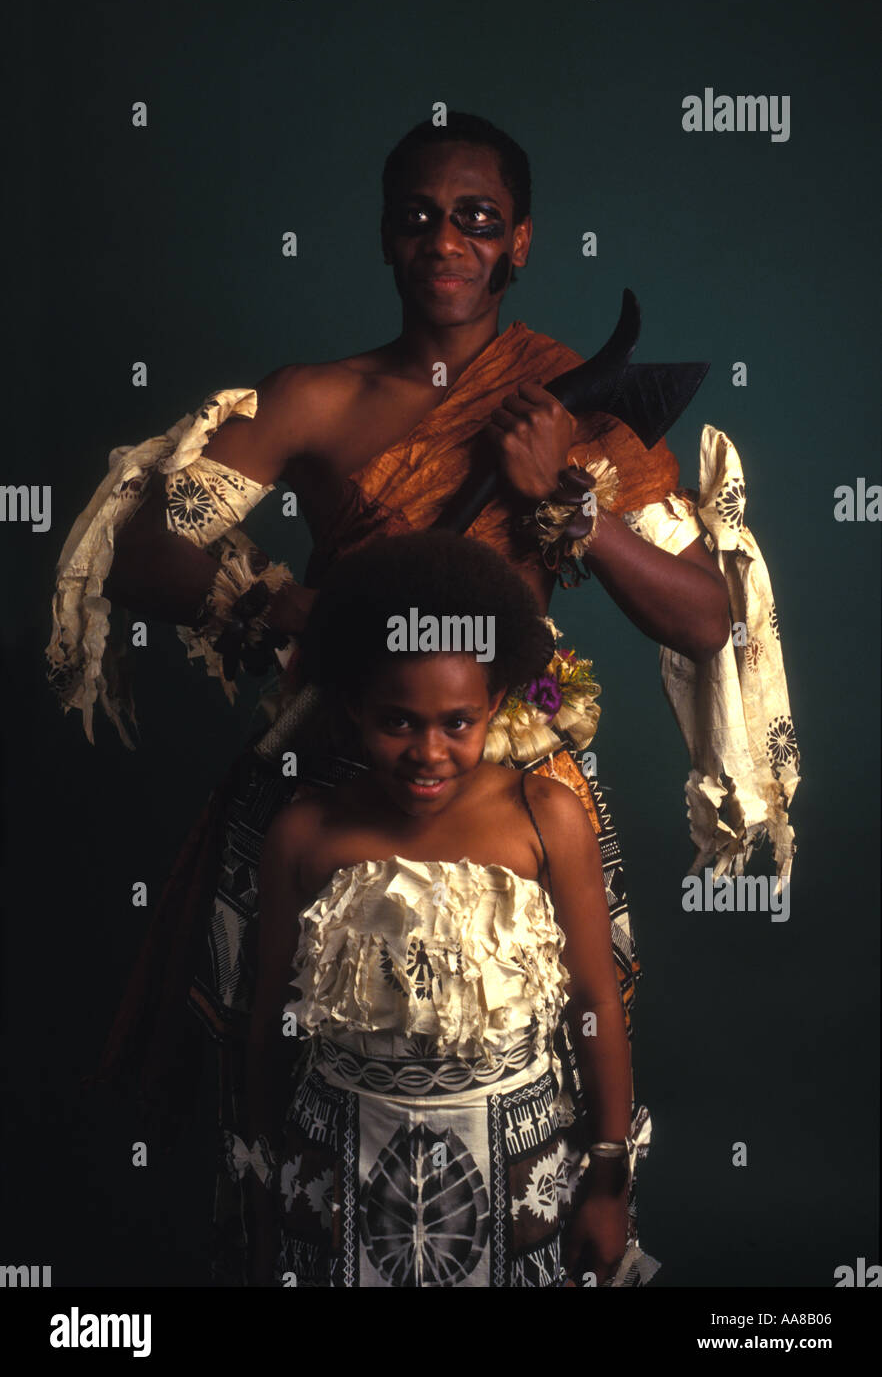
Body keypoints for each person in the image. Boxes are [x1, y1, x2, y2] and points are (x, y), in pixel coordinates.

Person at [47, 112, 797, 1284]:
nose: (447, 238)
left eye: (477, 219)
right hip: (330, 771)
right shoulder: (315, 401)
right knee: (280, 1066)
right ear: (389, 240)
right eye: (421, 217)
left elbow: (705, 616)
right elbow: (147, 548)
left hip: (508, 775)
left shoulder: (564, 404)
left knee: (538, 1051)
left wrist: (570, 502)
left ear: (520, 243)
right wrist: (271, 608)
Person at [244, 529, 651, 1288]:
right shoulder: (306, 834)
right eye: (398, 721)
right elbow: (269, 1028)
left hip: (521, 1188)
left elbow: (597, 1004)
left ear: (494, 703)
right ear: (355, 709)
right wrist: (265, 1189)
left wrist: (608, 1180)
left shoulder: (545, 818)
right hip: (336, 1189)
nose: (428, 752)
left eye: (457, 723)